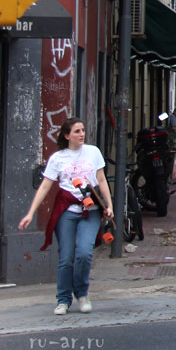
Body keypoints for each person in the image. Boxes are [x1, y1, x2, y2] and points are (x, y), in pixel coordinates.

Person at [18, 118, 113, 315]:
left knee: (85, 253)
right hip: (67, 211)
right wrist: (30, 213)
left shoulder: (93, 152)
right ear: (67, 135)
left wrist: (109, 205)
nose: (82, 134)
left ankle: (82, 293)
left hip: (91, 211)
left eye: (83, 130)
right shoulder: (58, 158)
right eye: (77, 131)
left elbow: (101, 179)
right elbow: (45, 186)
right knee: (66, 257)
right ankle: (63, 299)